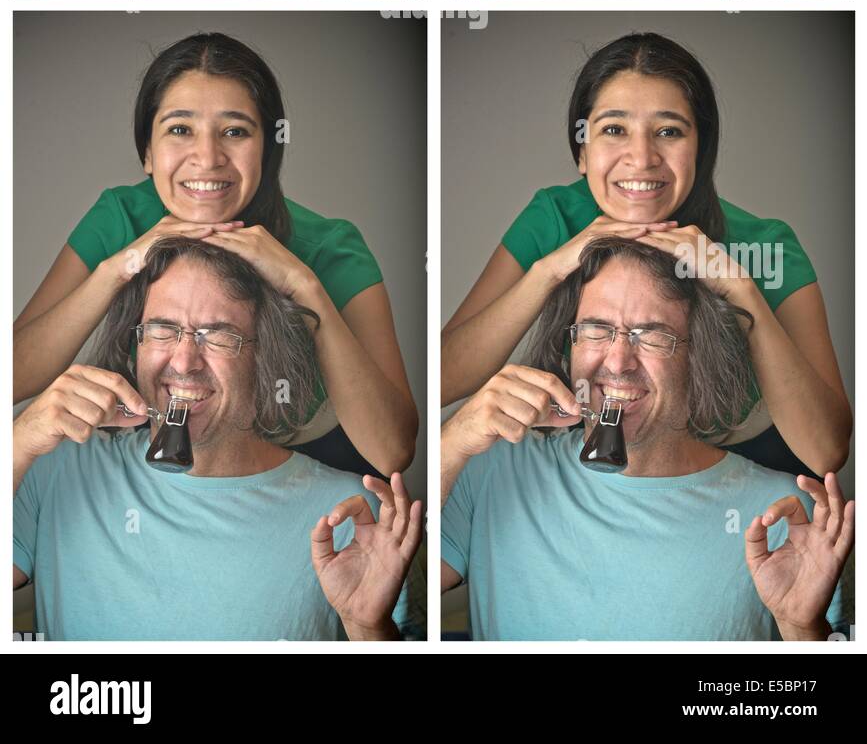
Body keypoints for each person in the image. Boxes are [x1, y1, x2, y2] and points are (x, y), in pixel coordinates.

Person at [442, 32, 851, 478]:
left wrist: (742, 293)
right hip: (606, 465)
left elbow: (827, 451)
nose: (641, 157)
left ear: (701, 148)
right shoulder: (553, 218)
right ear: (583, 149)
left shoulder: (769, 245)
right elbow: (443, 378)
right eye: (614, 129)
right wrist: (548, 270)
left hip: (746, 467)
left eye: (669, 131)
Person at [14, 32, 418, 479]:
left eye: (234, 131)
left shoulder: (332, 248)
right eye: (180, 129)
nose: (207, 158)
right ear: (147, 152)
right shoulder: (120, 219)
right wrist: (118, 268)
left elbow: (393, 451)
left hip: (311, 464)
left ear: (269, 147)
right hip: (172, 463)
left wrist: (305, 288)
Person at [441, 237, 853, 641]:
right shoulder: (490, 466)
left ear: (698, 360)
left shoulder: (783, 515)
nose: (618, 362)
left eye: (652, 335)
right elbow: (402, 601)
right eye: (597, 329)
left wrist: (802, 630)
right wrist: (453, 439)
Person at [14, 238, 424, 641]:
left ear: (265, 358)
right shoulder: (54, 467)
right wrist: (17, 443)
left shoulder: (352, 513)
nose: (184, 362)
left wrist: (369, 629)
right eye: (162, 329)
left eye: (218, 335)